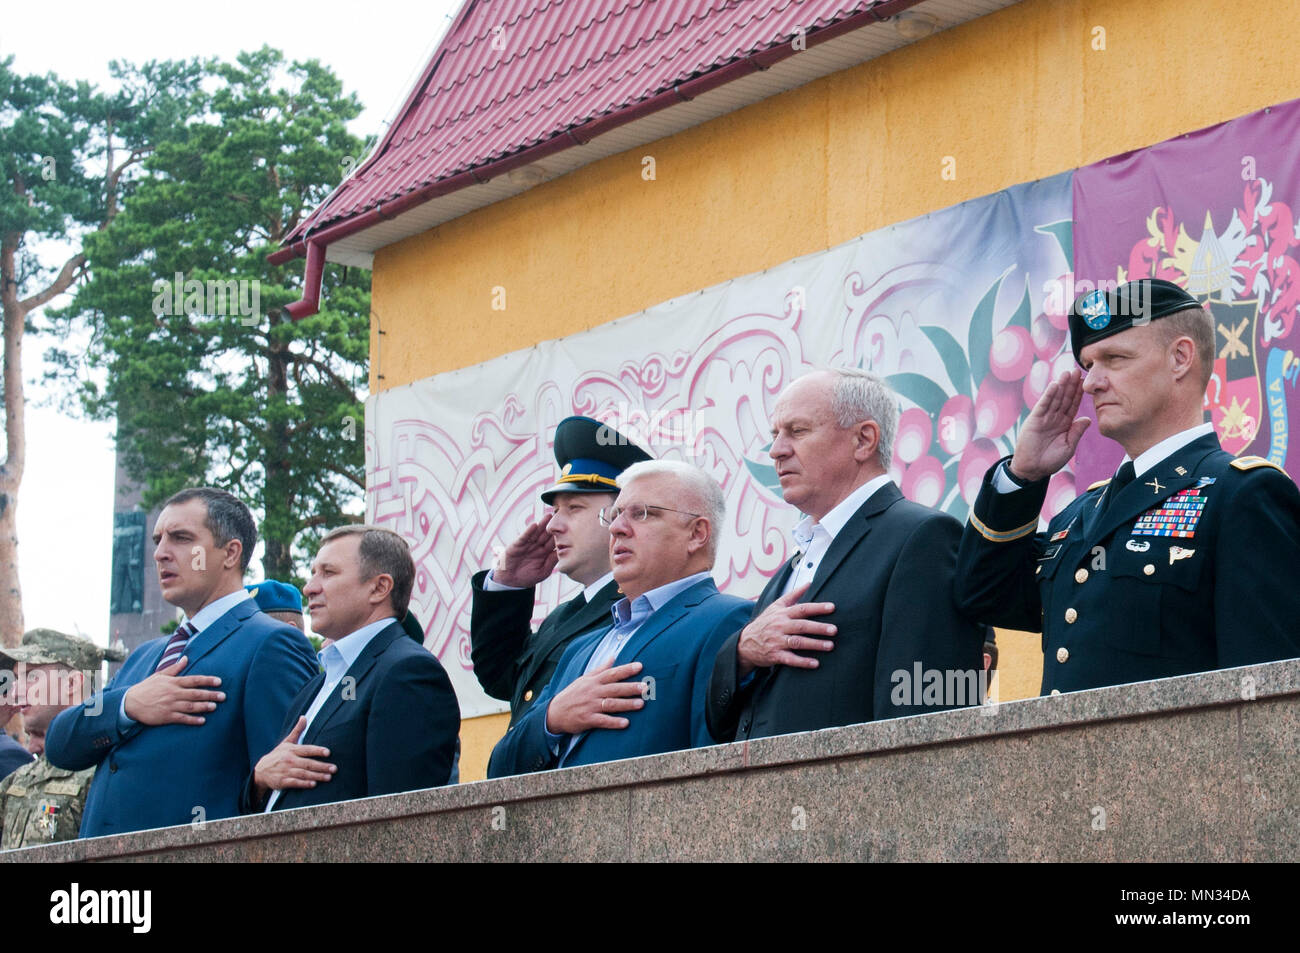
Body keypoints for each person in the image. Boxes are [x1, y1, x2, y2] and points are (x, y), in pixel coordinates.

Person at [957, 278, 1300, 693]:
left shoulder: (1241, 495)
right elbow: (982, 594)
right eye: (1088, 365)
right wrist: (1022, 476)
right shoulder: (1080, 514)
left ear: (1180, 358)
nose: (1090, 383)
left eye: (1114, 359)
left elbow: (1266, 696)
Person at [707, 368, 984, 743]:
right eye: (775, 435)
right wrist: (740, 654)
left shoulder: (923, 538)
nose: (776, 450)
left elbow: (926, 722)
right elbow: (724, 726)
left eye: (798, 431)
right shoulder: (794, 565)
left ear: (863, 440)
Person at [46, 487, 319, 837]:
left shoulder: (271, 643)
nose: (160, 553)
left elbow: (284, 790)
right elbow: (60, 745)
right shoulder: (145, 655)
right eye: (158, 540)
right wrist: (129, 704)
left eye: (180, 538)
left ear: (230, 553)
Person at [487, 460, 752, 777]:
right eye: (614, 515)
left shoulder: (727, 620)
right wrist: (553, 718)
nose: (616, 528)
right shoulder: (579, 648)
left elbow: (717, 769)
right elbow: (499, 770)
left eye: (642, 514)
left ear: (697, 534)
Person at [241, 525, 460, 812]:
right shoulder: (316, 686)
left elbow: (402, 826)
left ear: (380, 587)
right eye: (313, 573)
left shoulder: (409, 672)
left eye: (328, 573)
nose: (309, 587)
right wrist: (258, 781)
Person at [471, 416, 650, 726]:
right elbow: (501, 678)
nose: (553, 525)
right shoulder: (563, 617)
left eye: (574, 508)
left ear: (621, 515)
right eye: (555, 511)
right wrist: (507, 582)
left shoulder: (640, 606)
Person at [0, 629, 124, 848]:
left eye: (30, 676)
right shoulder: (18, 780)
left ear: (72, 684)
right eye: (16, 678)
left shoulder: (108, 771)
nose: (16, 690)